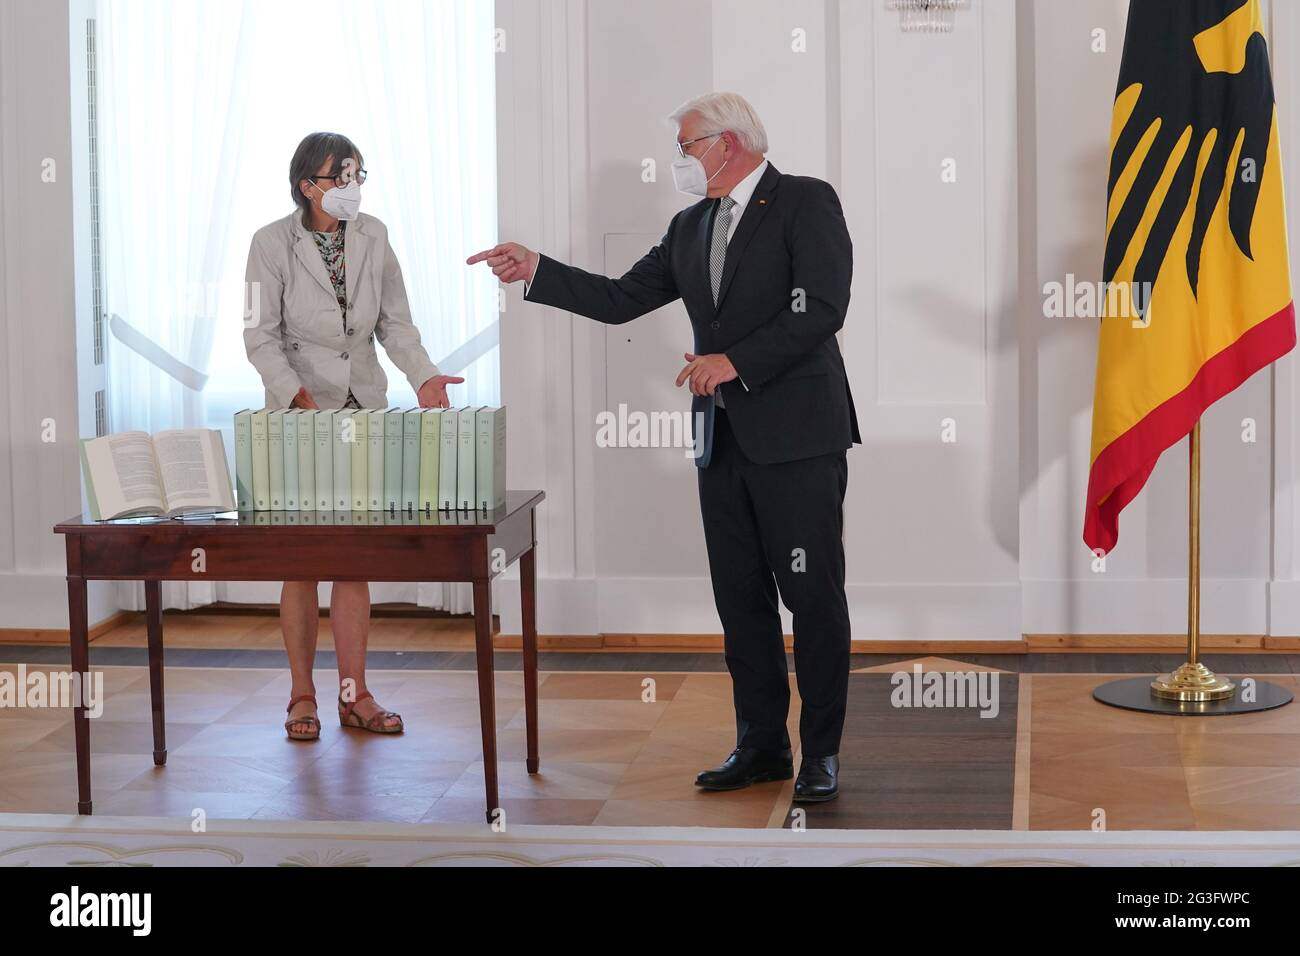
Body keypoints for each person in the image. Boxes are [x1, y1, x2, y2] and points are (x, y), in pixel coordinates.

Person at [468, 93, 859, 801]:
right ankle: (763, 745)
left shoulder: (805, 201)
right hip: (723, 441)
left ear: (728, 142)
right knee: (740, 598)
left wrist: (735, 360)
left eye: (686, 145)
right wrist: (536, 269)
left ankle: (822, 753)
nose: (678, 159)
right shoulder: (689, 226)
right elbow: (621, 298)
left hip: (800, 437)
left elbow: (823, 305)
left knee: (812, 595)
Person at [244, 131, 464, 741]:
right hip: (296, 416)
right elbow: (258, 335)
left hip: (362, 411)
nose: (350, 187)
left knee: (352, 557)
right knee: (301, 562)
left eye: (357, 174)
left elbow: (395, 323)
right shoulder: (269, 243)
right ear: (305, 185)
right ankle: (300, 697)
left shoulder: (376, 236)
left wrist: (423, 377)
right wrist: (295, 393)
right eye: (338, 177)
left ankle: (355, 695)